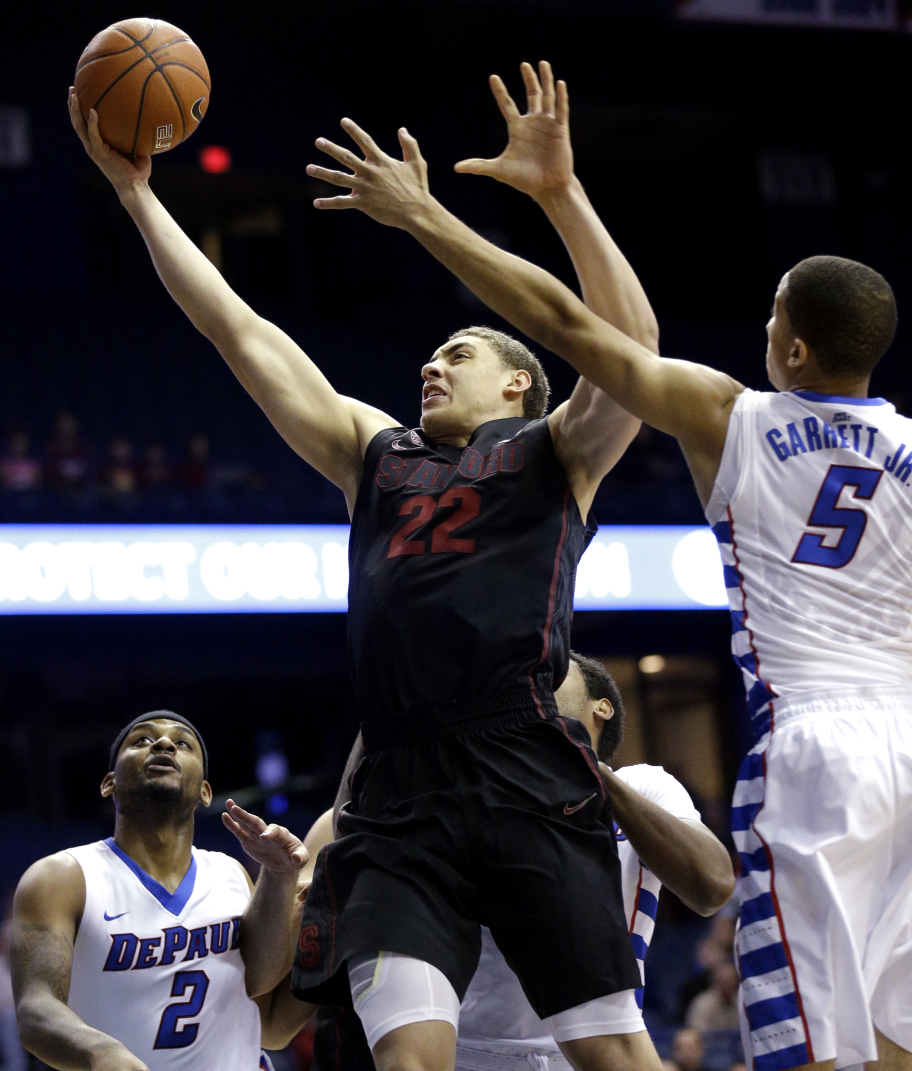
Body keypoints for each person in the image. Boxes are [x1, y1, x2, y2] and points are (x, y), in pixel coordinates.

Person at [300, 59, 912, 1071]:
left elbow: (579, 330)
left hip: (820, 744)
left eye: (771, 320)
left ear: (792, 352)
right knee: (893, 1039)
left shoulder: (734, 415)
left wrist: (448, 213)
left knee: (806, 1043)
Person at [68, 60, 661, 1071]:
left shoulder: (560, 450)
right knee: (408, 1061)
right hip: (394, 787)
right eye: (428, 353)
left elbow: (631, 341)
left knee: (614, 1059)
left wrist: (561, 196)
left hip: (523, 765)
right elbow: (238, 328)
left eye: (459, 353)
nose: (430, 363)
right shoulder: (373, 452)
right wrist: (136, 194)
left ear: (521, 381)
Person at [259, 652, 735, 1071]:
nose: (525, 687)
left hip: (602, 1049)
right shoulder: (437, 804)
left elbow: (712, 887)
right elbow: (276, 1025)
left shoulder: (644, 787)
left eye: (546, 673)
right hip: (466, 1054)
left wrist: (586, 774)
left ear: (601, 707)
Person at [10, 710, 307, 1070]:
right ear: (109, 783)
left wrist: (278, 875)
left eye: (182, 744)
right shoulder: (61, 879)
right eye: (142, 741)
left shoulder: (230, 873)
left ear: (205, 791)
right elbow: (35, 1008)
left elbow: (258, 982)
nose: (164, 744)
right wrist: (99, 1051)